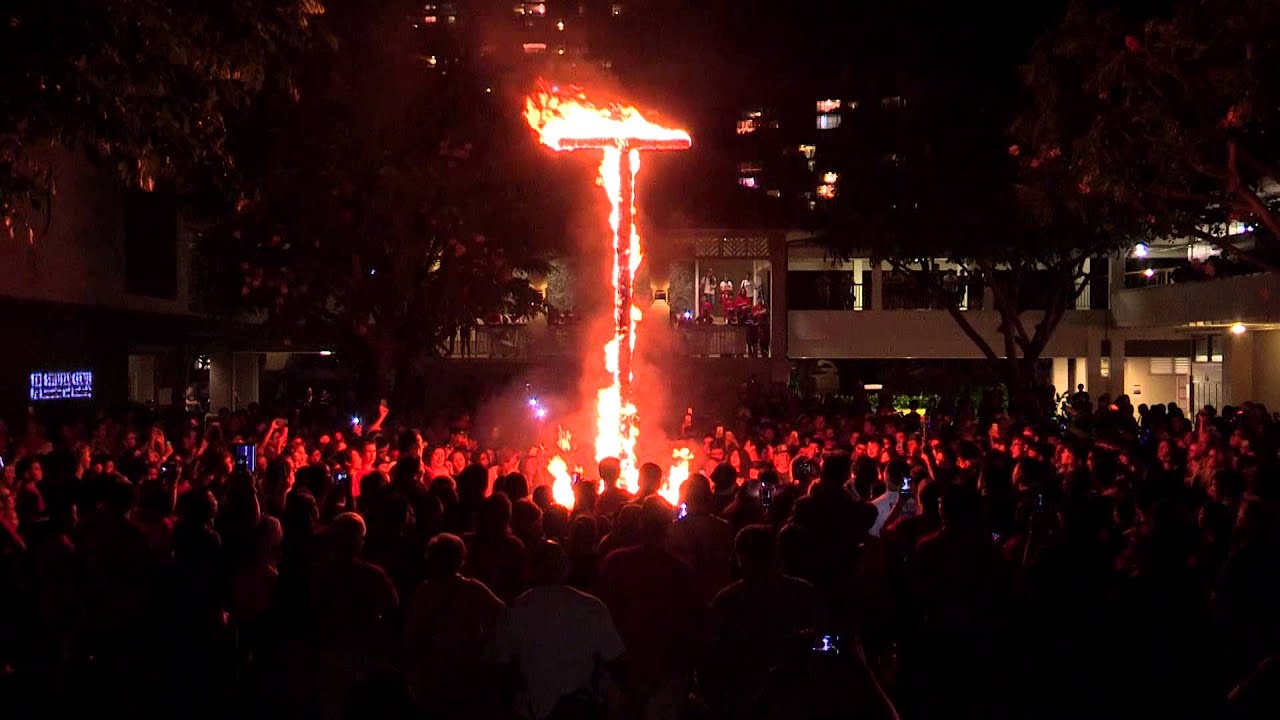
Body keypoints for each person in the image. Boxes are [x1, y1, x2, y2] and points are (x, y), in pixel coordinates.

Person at [490, 540, 626, 720]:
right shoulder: (591, 607)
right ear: (566, 568)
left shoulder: (515, 609)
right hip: (580, 708)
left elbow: (501, 665)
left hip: (532, 709)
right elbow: (614, 658)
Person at [597, 497, 700, 720]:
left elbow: (604, 613)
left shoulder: (615, 562)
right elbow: (688, 623)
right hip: (665, 670)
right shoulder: (680, 571)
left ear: (641, 523)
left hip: (625, 665)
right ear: (669, 526)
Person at [406, 533, 504, 719]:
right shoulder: (471, 589)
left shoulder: (425, 592)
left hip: (437, 674)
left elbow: (412, 633)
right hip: (464, 671)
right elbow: (502, 614)